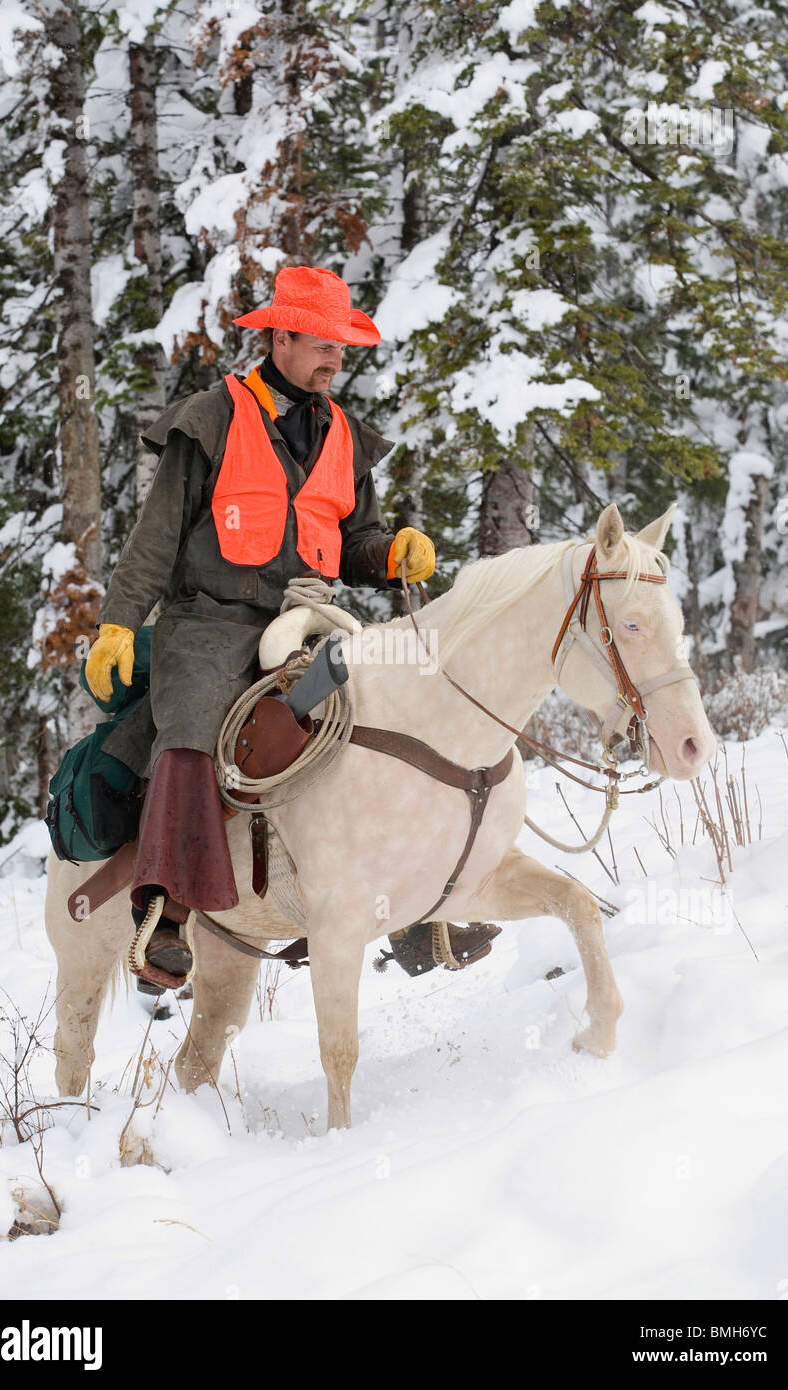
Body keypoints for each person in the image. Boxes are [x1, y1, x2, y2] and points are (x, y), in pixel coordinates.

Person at [84, 265, 499, 986]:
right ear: (279, 337)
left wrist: (392, 552)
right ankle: (168, 914)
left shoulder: (343, 435)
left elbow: (355, 543)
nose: (336, 360)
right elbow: (153, 539)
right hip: (208, 623)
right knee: (192, 727)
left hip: (309, 617)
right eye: (323, 345)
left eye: (344, 348)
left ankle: (413, 914)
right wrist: (118, 624)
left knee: (385, 715)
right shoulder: (212, 417)